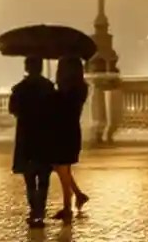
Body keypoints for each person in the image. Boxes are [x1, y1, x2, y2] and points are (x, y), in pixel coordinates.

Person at [9, 56, 55, 229]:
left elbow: (13, 110)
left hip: (26, 138)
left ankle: (34, 210)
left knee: (29, 179)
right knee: (44, 178)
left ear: (27, 68)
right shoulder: (49, 87)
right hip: (44, 138)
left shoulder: (19, 89)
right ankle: (40, 212)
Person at [50, 57, 90, 223]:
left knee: (60, 165)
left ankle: (69, 204)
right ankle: (76, 196)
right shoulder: (80, 89)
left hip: (63, 130)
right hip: (72, 130)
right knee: (62, 166)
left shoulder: (66, 93)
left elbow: (58, 109)